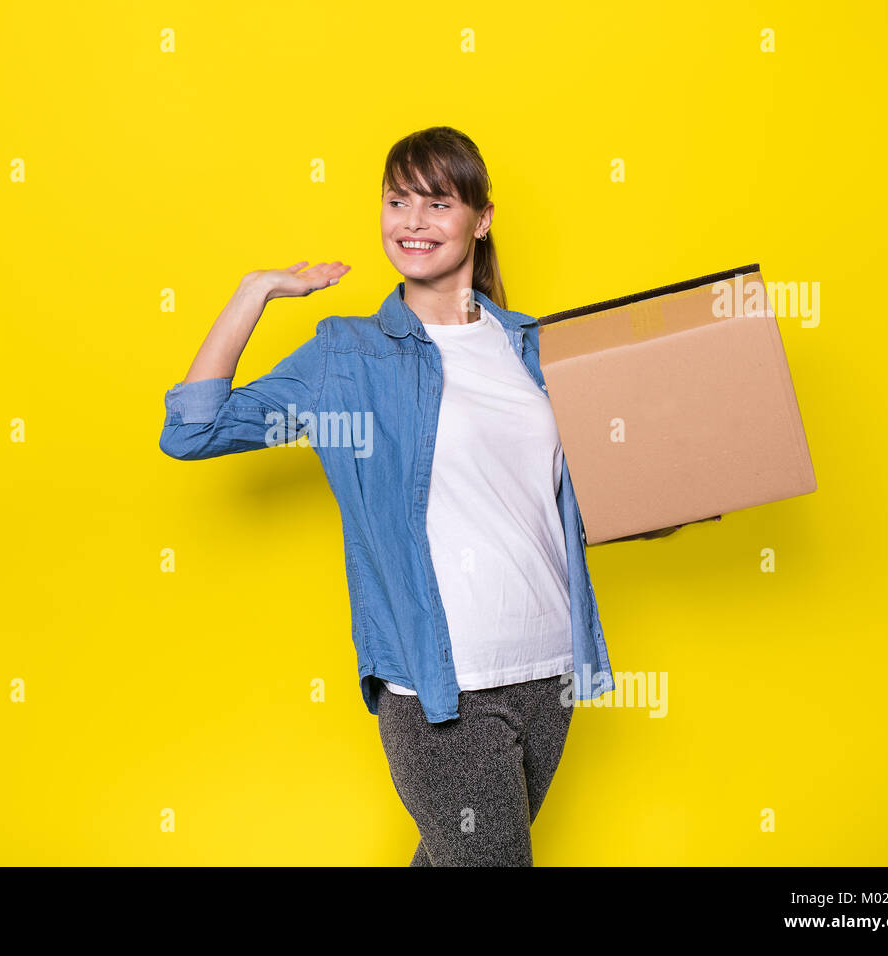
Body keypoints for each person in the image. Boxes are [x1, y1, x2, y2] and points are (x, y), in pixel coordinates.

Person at [160, 126, 629, 866]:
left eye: (437, 202)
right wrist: (255, 293)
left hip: (549, 668)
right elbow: (195, 430)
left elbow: (581, 486)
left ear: (482, 219)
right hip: (440, 685)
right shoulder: (349, 357)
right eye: (397, 200)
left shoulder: (532, 345)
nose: (412, 221)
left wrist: (672, 487)